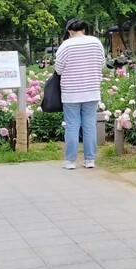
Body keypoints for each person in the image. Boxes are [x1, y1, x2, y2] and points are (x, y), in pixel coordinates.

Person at [54, 18, 105, 170]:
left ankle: (70, 161)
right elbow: (101, 63)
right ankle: (90, 160)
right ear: (84, 29)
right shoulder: (96, 42)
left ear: (69, 30)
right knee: (89, 125)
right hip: (91, 90)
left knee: (72, 126)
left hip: (71, 93)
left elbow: (58, 69)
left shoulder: (66, 45)